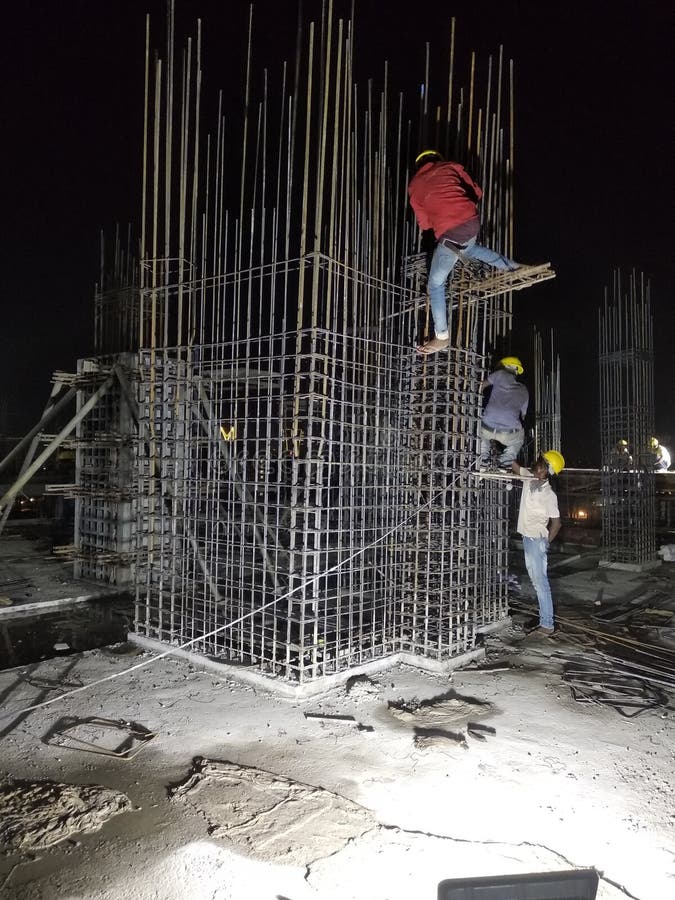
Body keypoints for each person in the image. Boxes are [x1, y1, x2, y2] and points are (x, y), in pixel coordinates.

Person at [408, 149, 519, 355]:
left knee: (435, 284)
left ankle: (442, 337)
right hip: (471, 223)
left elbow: (424, 224)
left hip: (451, 234)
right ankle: (512, 267)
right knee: (469, 249)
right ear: (437, 159)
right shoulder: (450, 166)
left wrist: (440, 215)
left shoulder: (414, 186)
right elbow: (476, 192)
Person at [511, 450, 564, 635]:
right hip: (528, 538)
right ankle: (545, 621)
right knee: (537, 582)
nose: (536, 466)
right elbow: (515, 466)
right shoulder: (529, 478)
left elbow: (557, 524)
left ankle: (547, 625)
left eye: (540, 464)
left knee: (540, 583)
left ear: (546, 470)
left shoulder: (549, 495)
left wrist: (545, 543)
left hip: (537, 540)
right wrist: (509, 450)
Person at [479, 357, 528, 471]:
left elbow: (481, 386)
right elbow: (523, 416)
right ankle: (505, 462)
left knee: (479, 432)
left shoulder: (499, 374)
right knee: (519, 438)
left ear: (505, 366)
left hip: (487, 427)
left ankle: (483, 458)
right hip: (508, 433)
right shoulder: (524, 390)